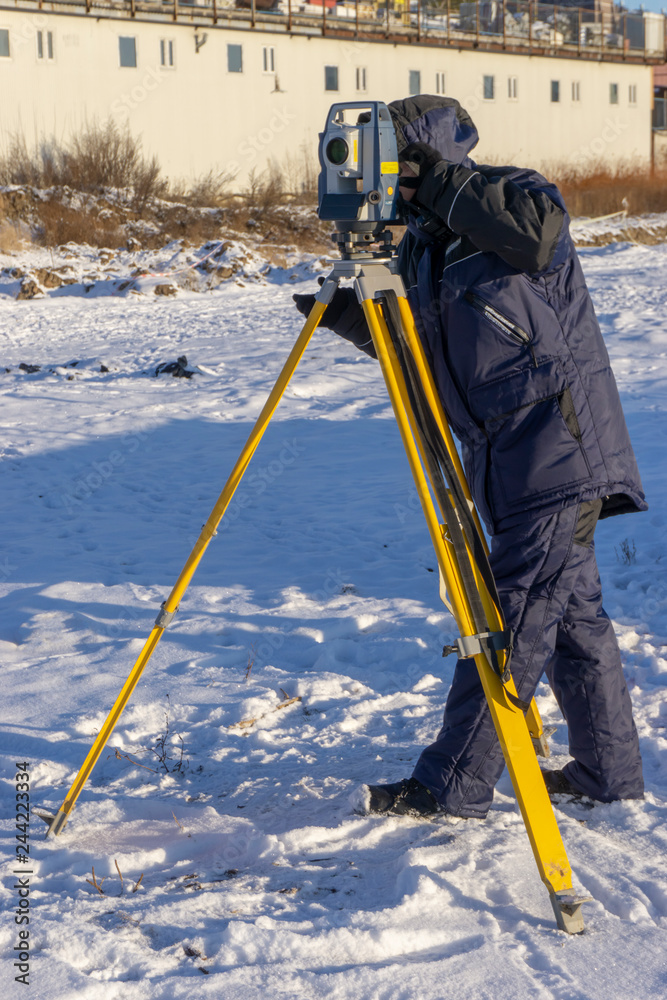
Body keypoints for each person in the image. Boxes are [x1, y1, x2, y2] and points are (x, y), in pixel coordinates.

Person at [294, 95, 647, 819]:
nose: (377, 180)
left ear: (421, 159)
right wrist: (355, 323)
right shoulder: (419, 249)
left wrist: (442, 184)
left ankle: (451, 783)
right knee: (573, 619)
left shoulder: (514, 196)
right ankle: (607, 773)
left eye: (390, 162)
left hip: (557, 446)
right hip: (501, 461)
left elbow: (539, 237)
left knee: (510, 616)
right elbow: (425, 356)